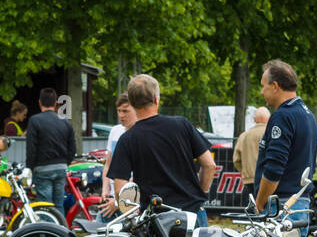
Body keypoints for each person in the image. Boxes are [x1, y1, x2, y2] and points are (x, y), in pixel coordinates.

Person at [109, 74, 216, 227]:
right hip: (192, 214)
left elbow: (120, 189)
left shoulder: (127, 139)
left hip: (156, 222)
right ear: (156, 99)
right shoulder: (182, 125)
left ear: (131, 103)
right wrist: (200, 193)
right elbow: (209, 165)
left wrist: (133, 213)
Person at [253, 60, 317, 234]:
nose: (262, 92)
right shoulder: (307, 114)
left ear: (275, 86)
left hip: (282, 206)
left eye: (263, 86)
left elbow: (274, 168)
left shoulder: (283, 116)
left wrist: (260, 203)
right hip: (300, 203)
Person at [24, 87, 77, 215]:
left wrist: (29, 167)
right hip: (61, 168)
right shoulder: (65, 121)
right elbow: (72, 148)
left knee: (46, 207)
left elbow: (31, 148)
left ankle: (49, 234)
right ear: (55, 103)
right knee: (59, 204)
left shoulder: (34, 120)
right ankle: (61, 231)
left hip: (42, 169)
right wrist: (65, 162)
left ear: (39, 103)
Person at [100, 93, 137, 214]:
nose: (121, 115)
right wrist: (105, 188)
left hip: (131, 199)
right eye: (119, 111)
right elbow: (108, 164)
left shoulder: (140, 133)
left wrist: (118, 201)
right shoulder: (115, 131)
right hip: (111, 195)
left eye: (125, 111)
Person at [233, 107, 269, 185]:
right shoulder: (273, 134)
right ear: (269, 118)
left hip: (249, 180)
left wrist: (245, 173)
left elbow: (236, 160)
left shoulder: (244, 136)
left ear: (254, 119)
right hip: (269, 179)